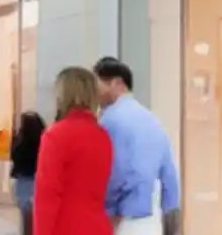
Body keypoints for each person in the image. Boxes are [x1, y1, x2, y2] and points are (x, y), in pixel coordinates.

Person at [94, 57, 180, 234]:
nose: (94, 92)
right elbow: (169, 175)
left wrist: (107, 211)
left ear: (117, 83)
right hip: (153, 219)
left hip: (123, 219)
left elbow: (114, 172)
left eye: (98, 85)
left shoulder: (110, 121)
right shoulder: (152, 119)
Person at [34, 67, 113, 235]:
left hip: (66, 227)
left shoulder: (56, 135)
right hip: (98, 226)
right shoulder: (103, 136)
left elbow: (46, 197)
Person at [11, 111, 46, 235]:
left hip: (24, 181)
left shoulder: (21, 144)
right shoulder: (44, 142)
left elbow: (14, 157)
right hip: (39, 181)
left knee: (26, 217)